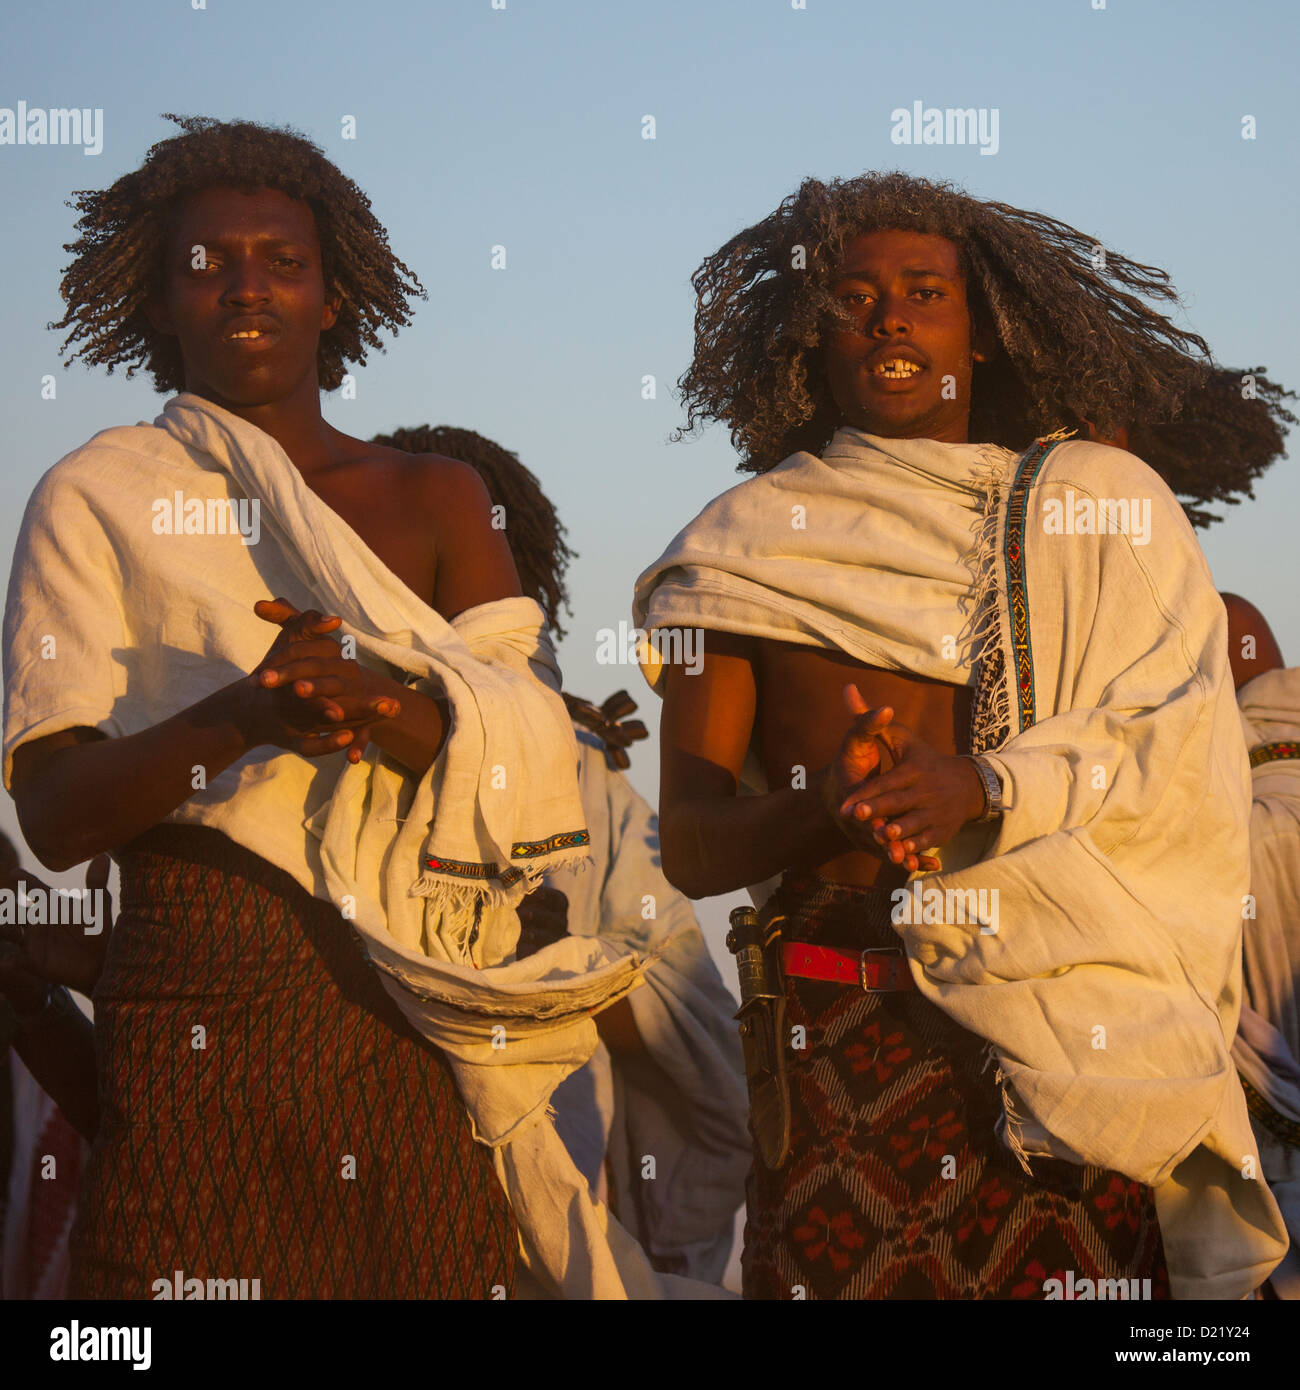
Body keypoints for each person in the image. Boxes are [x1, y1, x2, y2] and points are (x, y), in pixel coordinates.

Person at [633, 170, 1289, 1299]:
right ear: (809, 334)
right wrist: (818, 807)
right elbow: (689, 848)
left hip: (1077, 1034)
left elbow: (1170, 750)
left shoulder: (1101, 511)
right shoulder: (733, 550)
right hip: (838, 1025)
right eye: (851, 296)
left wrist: (988, 787)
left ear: (980, 332)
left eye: (924, 292)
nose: (887, 316)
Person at [3, 114, 598, 1298]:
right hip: (192, 994)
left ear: (336, 298)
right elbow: (60, 816)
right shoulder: (97, 493)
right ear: (156, 301)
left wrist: (373, 703)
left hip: (414, 1001)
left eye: (282, 261)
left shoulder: (440, 495)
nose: (244, 288)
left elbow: (532, 764)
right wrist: (248, 716)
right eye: (203, 263)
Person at [370, 424, 752, 1282]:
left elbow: (704, 1064)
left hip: (529, 1226)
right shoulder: (301, 730)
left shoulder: (580, 778)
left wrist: (555, 970)